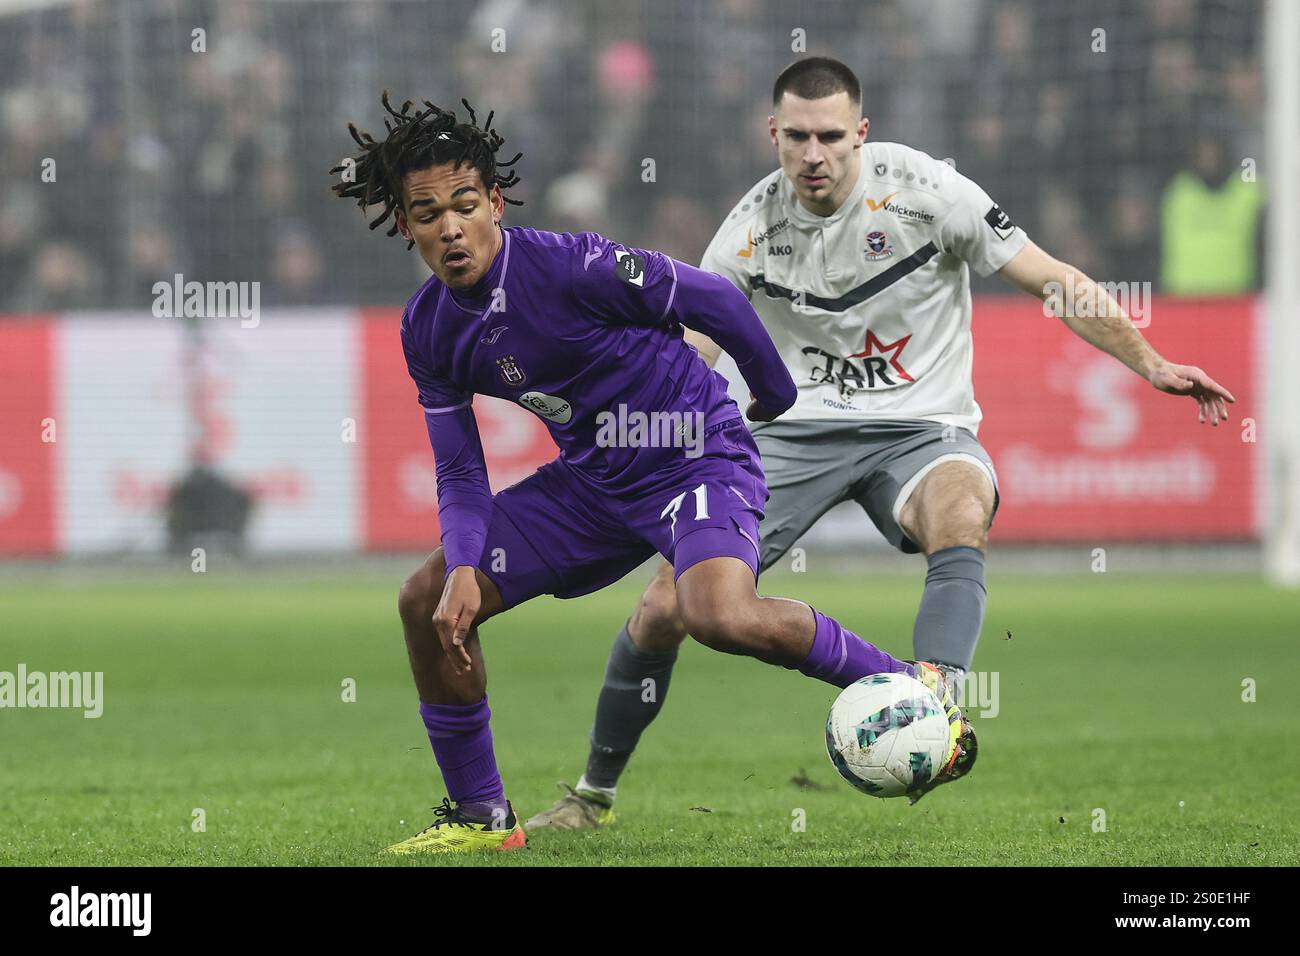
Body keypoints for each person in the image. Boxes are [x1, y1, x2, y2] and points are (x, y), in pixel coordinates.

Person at [527, 57, 1236, 831]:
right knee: (668, 605)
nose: (814, 155)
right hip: (787, 432)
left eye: (831, 137)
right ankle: (591, 796)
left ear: (861, 133)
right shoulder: (748, 232)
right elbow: (691, 353)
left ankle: (937, 700)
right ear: (773, 135)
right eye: (798, 137)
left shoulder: (931, 195)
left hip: (921, 427)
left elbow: (1051, 280)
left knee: (960, 508)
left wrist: (1150, 362)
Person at [331, 93, 975, 855]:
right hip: (591, 486)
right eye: (428, 213)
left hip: (694, 454)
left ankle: (918, 693)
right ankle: (481, 817)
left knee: (719, 616)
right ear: (405, 225)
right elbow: (461, 468)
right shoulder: (428, 328)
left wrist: (772, 392)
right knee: (426, 600)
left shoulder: (573, 266)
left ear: (495, 204)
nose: (450, 227)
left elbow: (716, 299)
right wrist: (466, 564)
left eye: (465, 206)